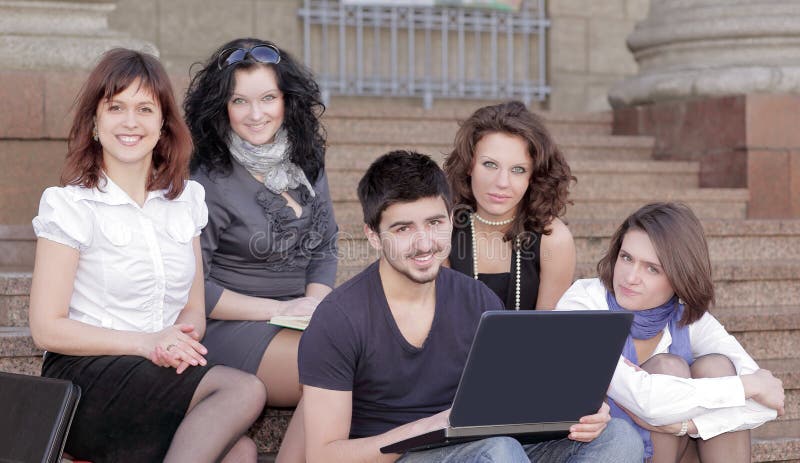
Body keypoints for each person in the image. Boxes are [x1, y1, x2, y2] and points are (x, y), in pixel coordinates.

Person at [298, 150, 643, 462]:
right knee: (498, 451)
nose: (424, 243)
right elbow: (323, 456)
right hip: (400, 456)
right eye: (403, 228)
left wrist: (577, 412)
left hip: (488, 447)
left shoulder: (478, 300)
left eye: (435, 223)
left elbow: (515, 403)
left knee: (618, 438)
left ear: (451, 219)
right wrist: (427, 429)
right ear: (373, 236)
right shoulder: (338, 318)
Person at [28, 48, 266, 462]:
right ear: (95, 122)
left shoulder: (186, 201)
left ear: (162, 124)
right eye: (116, 107)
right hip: (88, 378)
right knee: (244, 389)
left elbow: (193, 309)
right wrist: (146, 343)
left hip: (157, 371)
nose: (131, 121)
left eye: (144, 108)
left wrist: (179, 341)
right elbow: (46, 330)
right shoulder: (70, 206)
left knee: (241, 452)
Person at [183, 38, 338, 459]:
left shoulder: (308, 159)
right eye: (240, 101)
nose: (256, 114)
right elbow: (195, 288)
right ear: (222, 107)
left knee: (360, 354)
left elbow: (324, 246)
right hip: (229, 328)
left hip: (297, 321)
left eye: (268, 98)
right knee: (336, 369)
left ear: (287, 100)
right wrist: (279, 311)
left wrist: (313, 303)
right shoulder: (207, 181)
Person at [556, 202, 785, 462]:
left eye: (652, 268)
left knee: (717, 368)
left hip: (678, 447)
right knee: (669, 368)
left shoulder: (688, 319)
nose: (630, 277)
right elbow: (647, 401)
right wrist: (748, 386)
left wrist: (686, 427)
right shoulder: (582, 303)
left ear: (679, 276)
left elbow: (768, 404)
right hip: (606, 449)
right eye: (626, 258)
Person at [443, 101, 576, 310]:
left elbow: (548, 334)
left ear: (533, 175)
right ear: (469, 165)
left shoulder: (554, 240)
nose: (502, 182)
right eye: (490, 164)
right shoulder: (444, 228)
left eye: (518, 170)